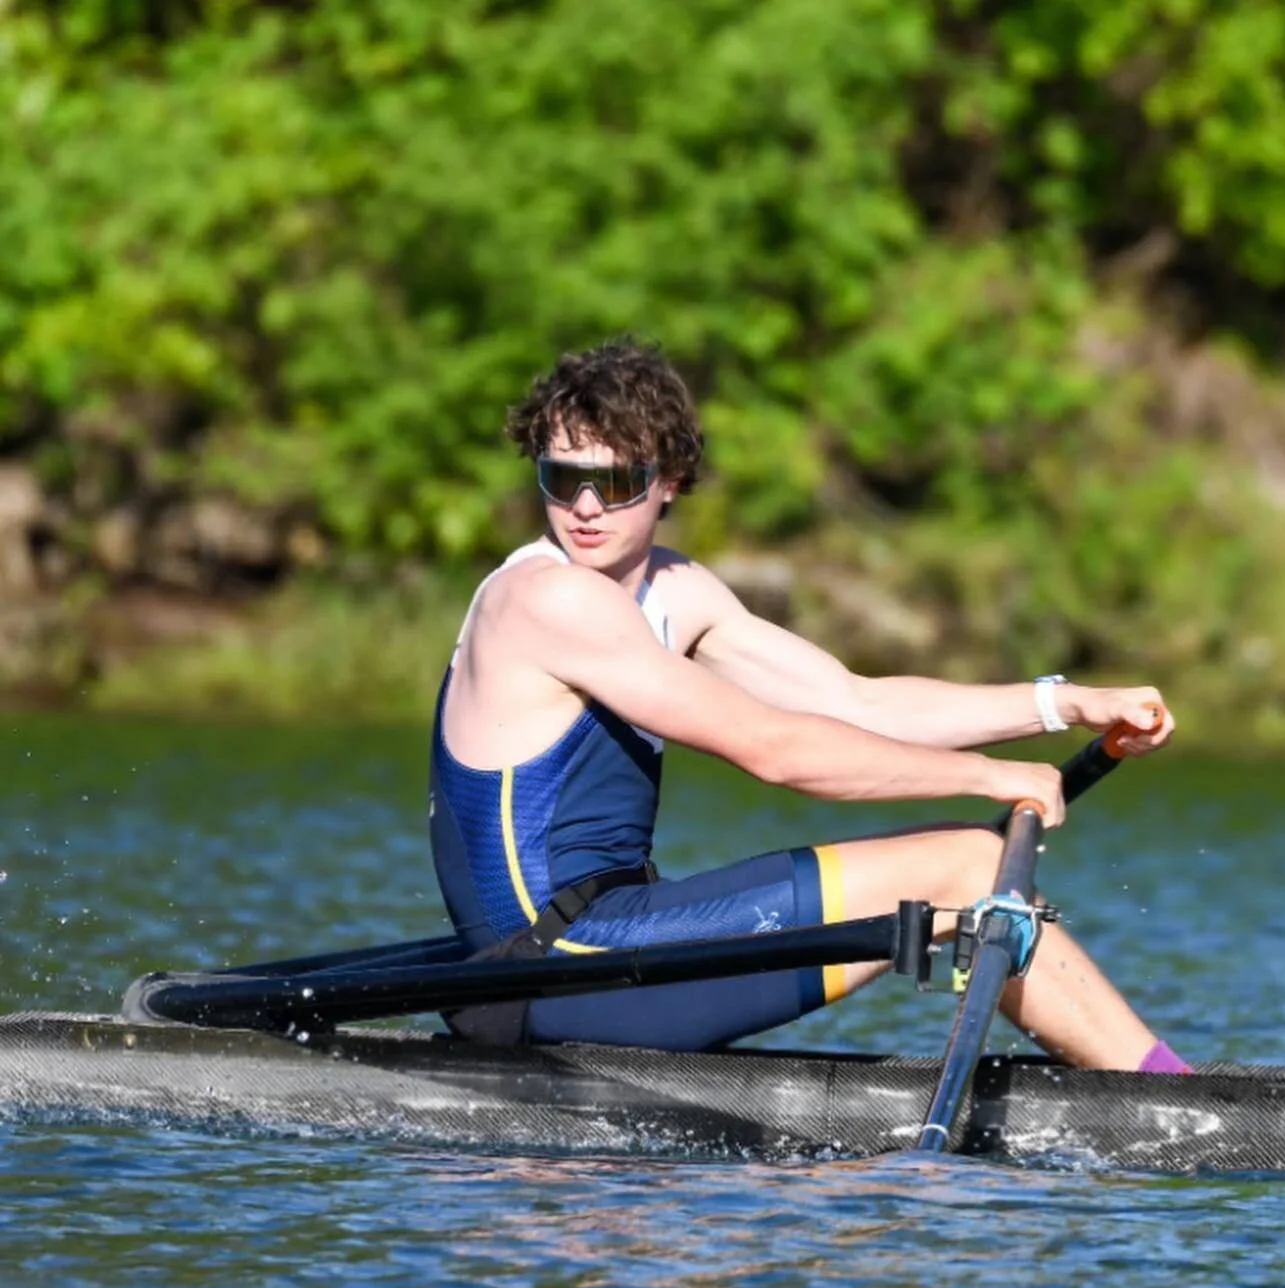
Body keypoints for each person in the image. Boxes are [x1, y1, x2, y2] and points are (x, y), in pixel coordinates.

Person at [429, 338, 1188, 1072]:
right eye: (563, 479)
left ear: (671, 481)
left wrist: (1065, 704)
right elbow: (776, 750)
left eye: (617, 482)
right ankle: (1174, 1103)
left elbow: (854, 702)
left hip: (611, 941)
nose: (586, 508)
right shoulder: (547, 597)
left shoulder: (675, 590)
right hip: (551, 973)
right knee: (968, 867)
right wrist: (991, 778)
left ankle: (1155, 1087)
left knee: (971, 868)